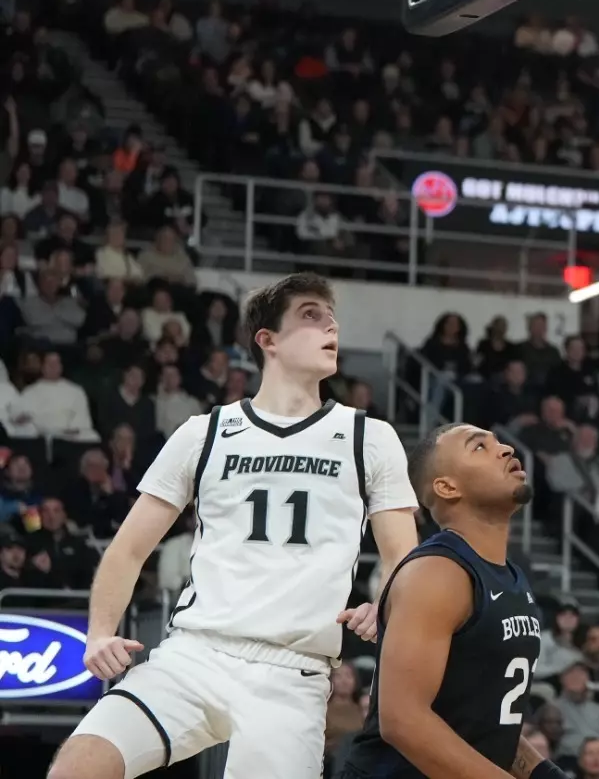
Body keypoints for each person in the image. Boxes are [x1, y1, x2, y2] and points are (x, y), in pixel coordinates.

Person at [51, 273, 420, 779]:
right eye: (311, 315)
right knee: (77, 766)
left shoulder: (369, 437)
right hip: (193, 654)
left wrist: (385, 606)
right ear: (268, 339)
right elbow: (129, 548)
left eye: (332, 317)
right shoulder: (204, 433)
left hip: (292, 671)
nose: (331, 325)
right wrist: (98, 633)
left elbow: (404, 559)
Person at [335, 422, 562, 779]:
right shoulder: (438, 572)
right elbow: (402, 720)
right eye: (479, 447)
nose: (505, 449)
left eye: (499, 442)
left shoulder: (509, 576)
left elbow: (483, 722)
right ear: (447, 487)